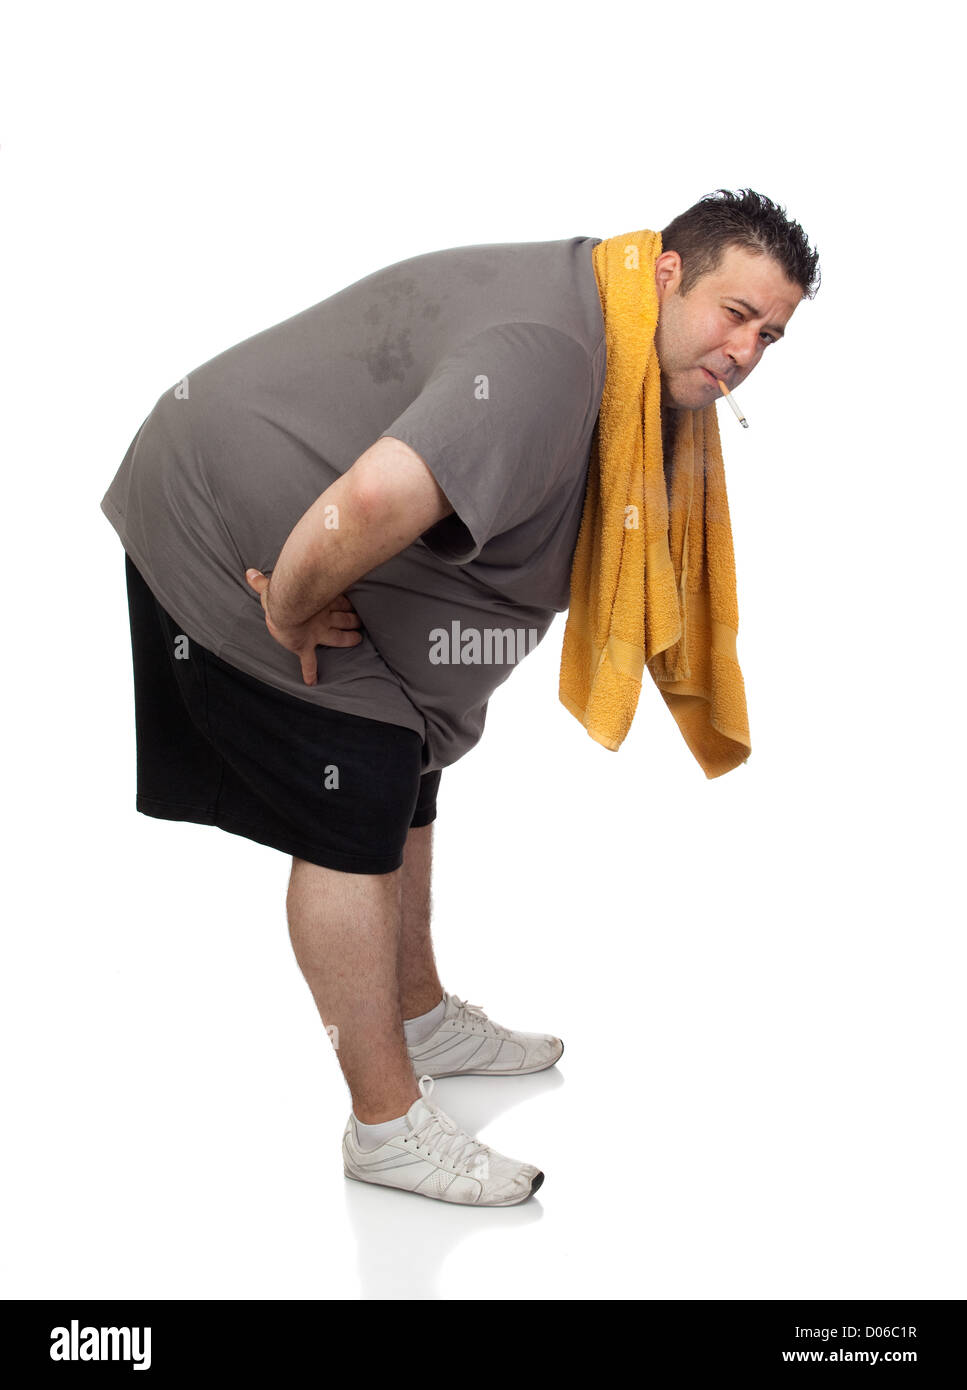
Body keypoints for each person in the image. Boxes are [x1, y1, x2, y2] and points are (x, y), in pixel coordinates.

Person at [102, 188, 819, 1206]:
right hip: (232, 524)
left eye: (770, 335)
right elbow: (370, 501)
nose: (745, 350)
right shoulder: (547, 360)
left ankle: (417, 1008)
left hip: (312, 514)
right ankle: (384, 1126)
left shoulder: (621, 332)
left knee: (413, 757)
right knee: (359, 779)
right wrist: (292, 611)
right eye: (733, 313)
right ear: (666, 271)